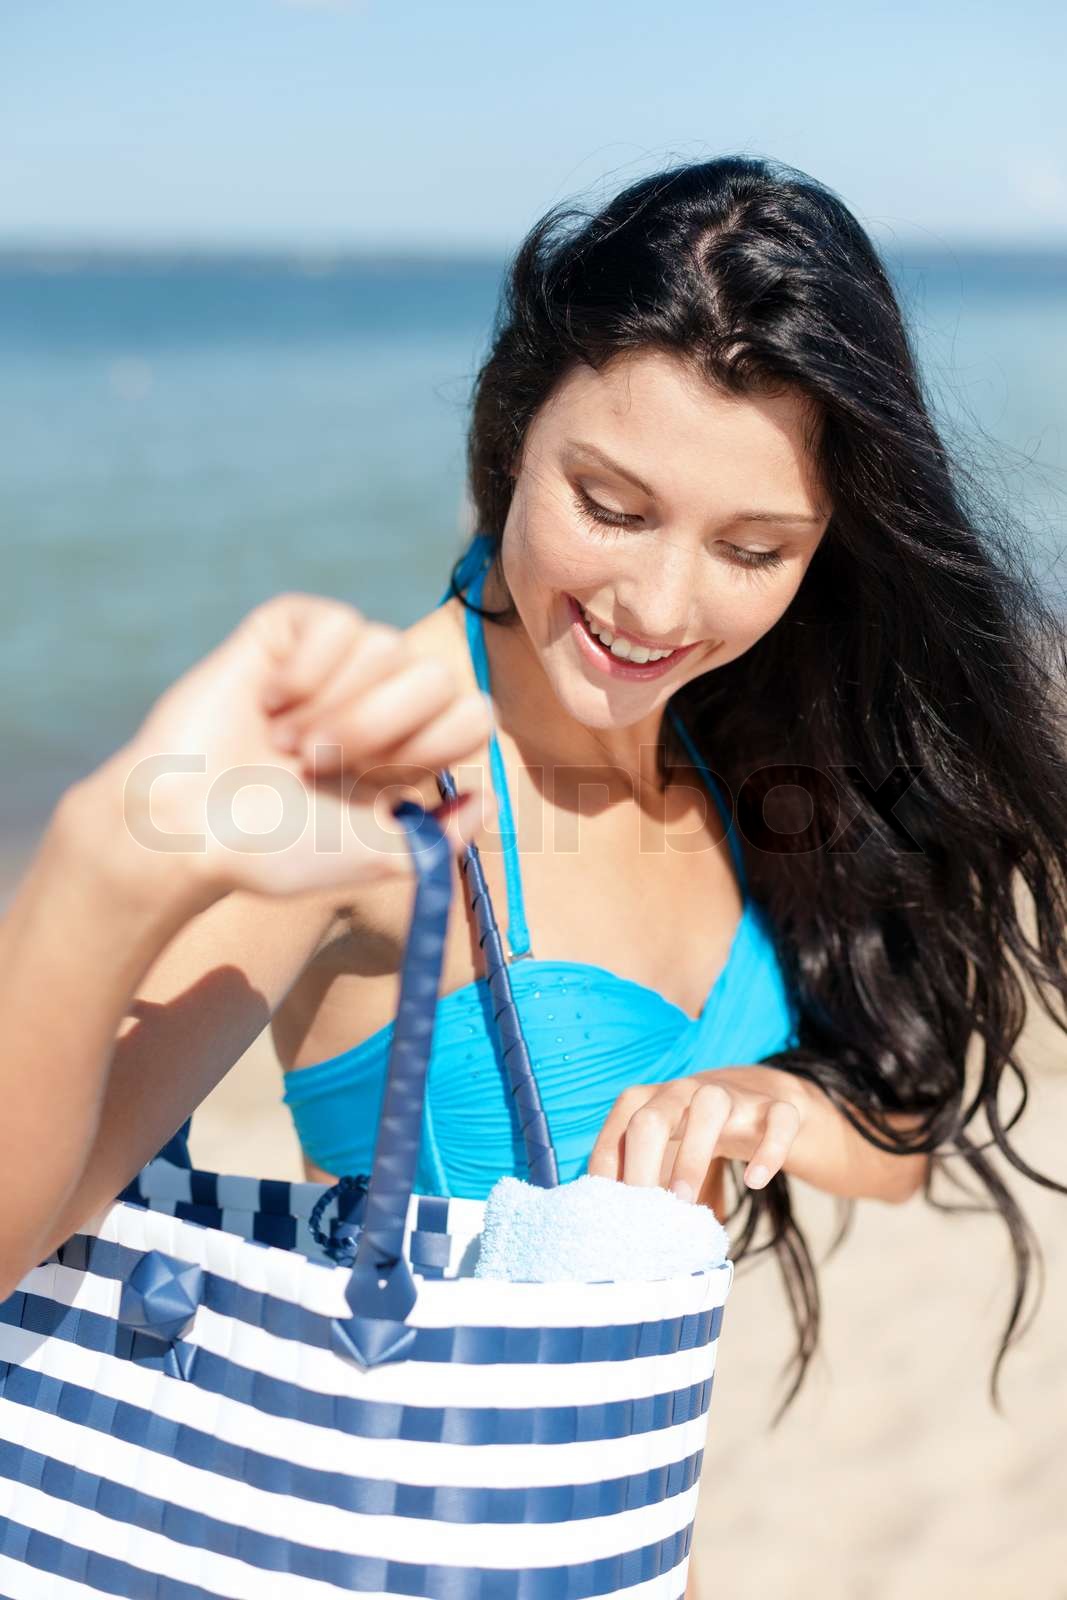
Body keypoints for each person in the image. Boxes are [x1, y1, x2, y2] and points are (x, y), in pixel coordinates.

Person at [2, 157, 1065, 1599]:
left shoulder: (746, 739)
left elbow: (897, 1135)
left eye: (754, 548)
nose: (662, 607)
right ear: (512, 434)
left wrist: (769, 1105)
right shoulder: (378, 773)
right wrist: (105, 860)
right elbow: (28, 1225)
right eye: (612, 507)